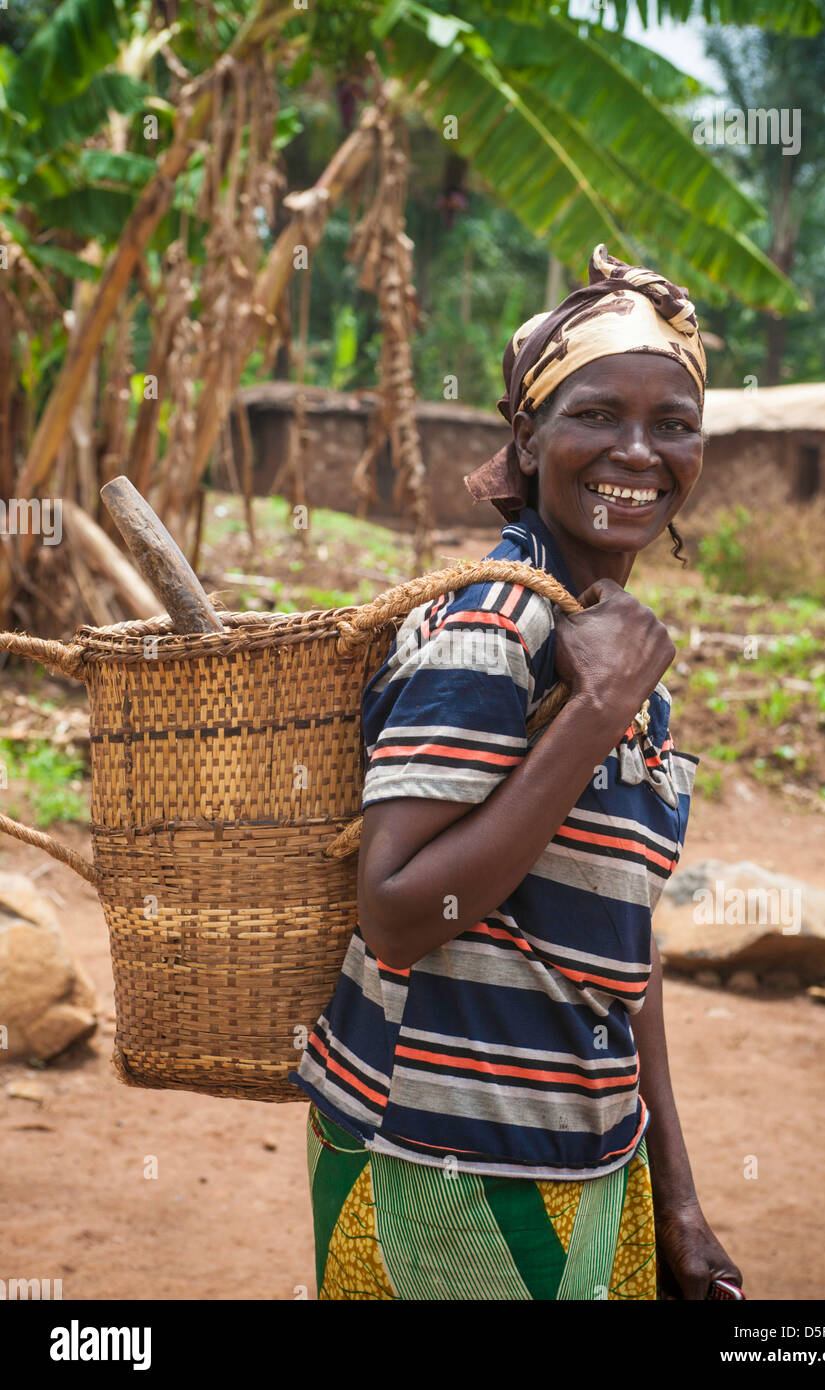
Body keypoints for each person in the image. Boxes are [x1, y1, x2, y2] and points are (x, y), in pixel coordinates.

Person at [289, 244, 744, 1302]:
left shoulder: (620, 649)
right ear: (527, 434)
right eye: (595, 414)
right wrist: (588, 715)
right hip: (440, 1167)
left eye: (671, 423)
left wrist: (673, 1191)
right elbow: (398, 911)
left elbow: (621, 944)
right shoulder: (490, 626)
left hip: (592, 1161)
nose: (637, 450)